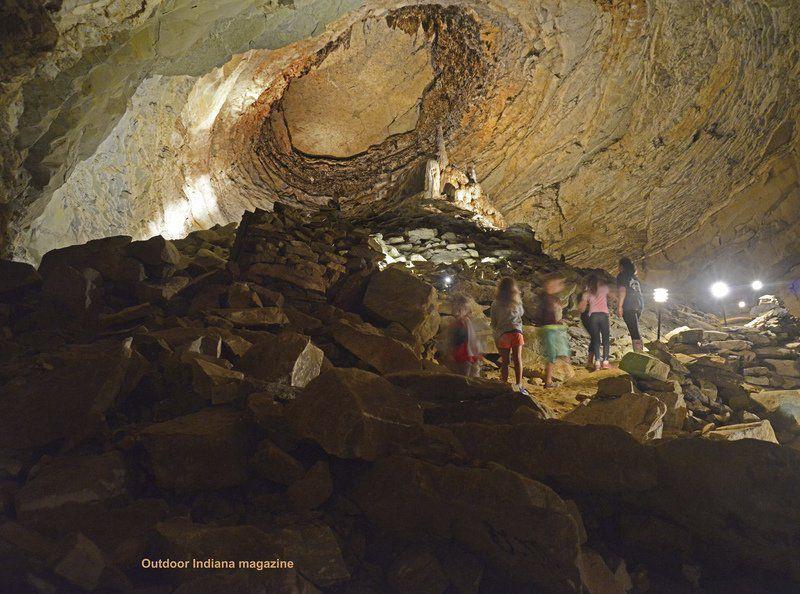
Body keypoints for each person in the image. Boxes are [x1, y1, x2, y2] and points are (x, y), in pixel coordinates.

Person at [490, 277, 529, 395]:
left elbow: (494, 321)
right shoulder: (517, 302)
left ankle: (504, 383)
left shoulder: (495, 304)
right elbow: (521, 313)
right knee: (518, 359)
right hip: (516, 332)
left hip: (503, 334)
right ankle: (519, 384)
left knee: (505, 362)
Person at [533, 273, 572, 388]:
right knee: (554, 355)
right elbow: (543, 316)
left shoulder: (547, 298)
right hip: (549, 329)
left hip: (550, 328)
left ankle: (553, 379)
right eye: (558, 284)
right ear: (549, 285)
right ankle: (550, 381)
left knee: (554, 355)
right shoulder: (546, 299)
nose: (560, 286)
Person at [443, 294, 485, 377]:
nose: (456, 311)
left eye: (460, 309)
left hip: (466, 353)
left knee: (466, 374)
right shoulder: (460, 323)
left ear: (466, 310)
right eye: (456, 308)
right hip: (463, 353)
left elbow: (469, 338)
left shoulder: (464, 322)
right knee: (465, 374)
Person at [579, 274, 611, 370]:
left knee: (596, 339)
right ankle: (605, 362)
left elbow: (581, 308)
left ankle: (596, 362)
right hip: (603, 315)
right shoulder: (604, 289)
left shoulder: (586, 293)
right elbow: (611, 295)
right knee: (605, 339)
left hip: (592, 316)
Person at [616, 257, 645, 352]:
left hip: (629, 305)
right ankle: (639, 351)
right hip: (639, 304)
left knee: (634, 331)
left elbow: (622, 290)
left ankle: (639, 353)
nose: (618, 267)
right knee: (635, 329)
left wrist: (620, 306)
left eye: (619, 265)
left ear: (622, 266)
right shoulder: (635, 277)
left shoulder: (621, 276)